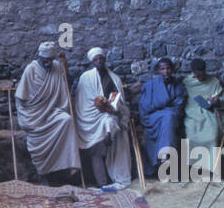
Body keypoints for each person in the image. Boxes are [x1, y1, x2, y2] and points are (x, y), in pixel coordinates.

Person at [13, 43, 82, 186]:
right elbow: (21, 97)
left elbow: (64, 86)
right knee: (37, 135)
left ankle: (67, 169)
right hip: (34, 114)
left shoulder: (57, 66)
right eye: (45, 59)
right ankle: (43, 172)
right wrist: (35, 108)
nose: (48, 62)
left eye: (51, 59)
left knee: (67, 120)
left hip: (52, 111)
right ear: (40, 56)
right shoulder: (30, 69)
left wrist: (65, 65)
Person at [72, 47, 133, 189]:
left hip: (111, 115)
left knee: (112, 126)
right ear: (92, 62)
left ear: (105, 60)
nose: (99, 61)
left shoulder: (114, 78)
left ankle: (109, 138)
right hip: (92, 118)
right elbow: (83, 103)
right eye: (96, 59)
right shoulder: (86, 78)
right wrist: (100, 107)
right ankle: (102, 182)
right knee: (96, 150)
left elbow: (118, 98)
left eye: (101, 59)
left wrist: (112, 107)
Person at [139, 57, 186, 175]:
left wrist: (165, 107)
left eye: (168, 68)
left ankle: (165, 159)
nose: (166, 71)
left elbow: (179, 104)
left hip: (170, 116)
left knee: (169, 118)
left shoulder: (178, 85)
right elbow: (145, 107)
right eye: (162, 69)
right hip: (152, 118)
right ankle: (164, 159)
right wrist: (164, 104)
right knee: (168, 117)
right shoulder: (150, 85)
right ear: (158, 71)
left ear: (172, 69)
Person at [183, 58, 224, 174]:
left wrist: (215, 101)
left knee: (213, 134)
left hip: (210, 112)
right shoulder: (187, 82)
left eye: (202, 75)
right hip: (192, 112)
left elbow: (222, 100)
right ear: (193, 73)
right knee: (191, 133)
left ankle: (211, 167)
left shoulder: (214, 81)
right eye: (198, 76)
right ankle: (195, 169)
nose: (200, 78)